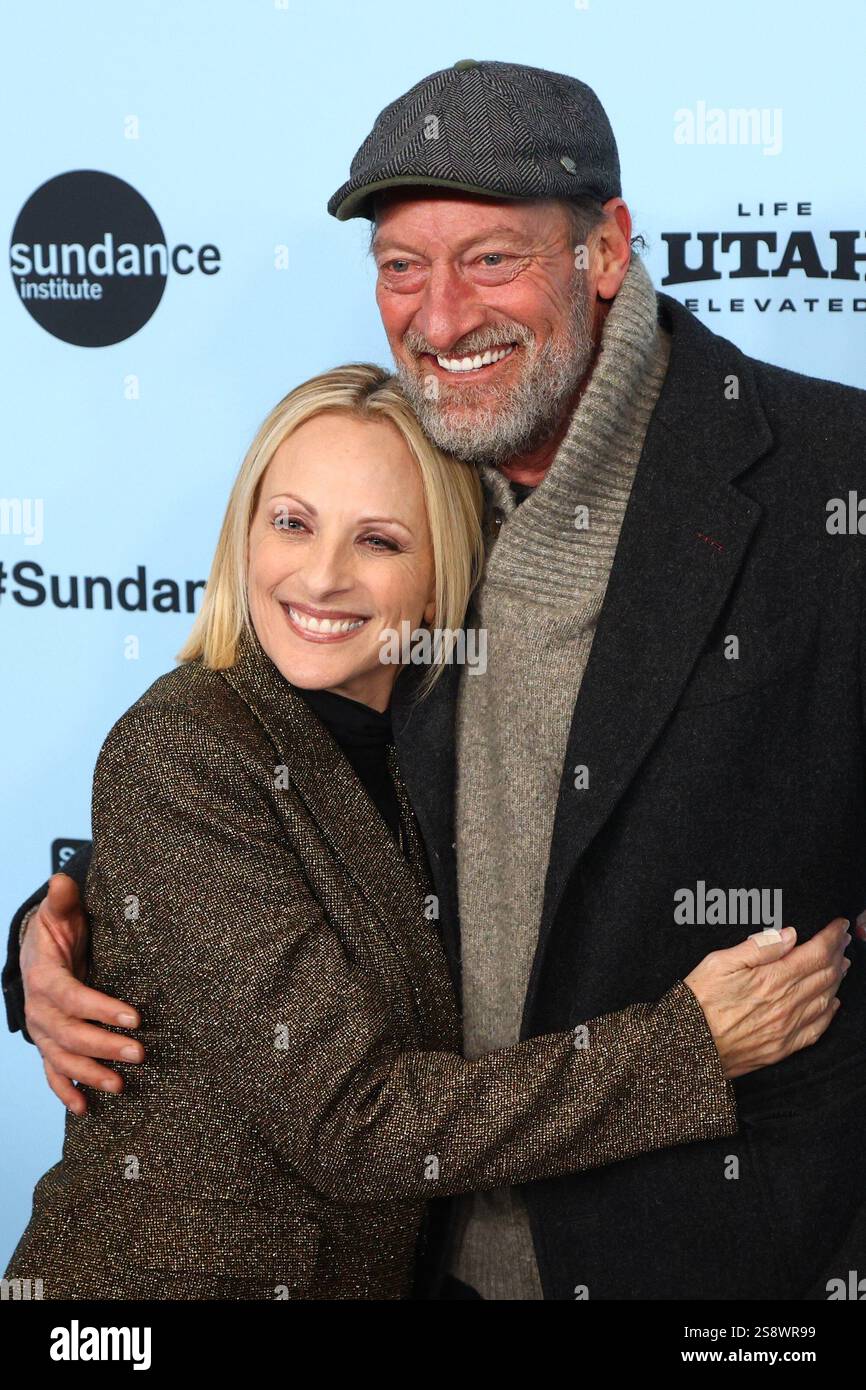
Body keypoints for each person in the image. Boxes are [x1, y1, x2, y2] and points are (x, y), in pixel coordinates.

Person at [5, 59, 865, 1300]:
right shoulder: (418, 482)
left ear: (605, 252)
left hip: (729, 1271)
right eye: (401, 266)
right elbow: (291, 818)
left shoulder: (826, 486)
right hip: (413, 1263)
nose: (441, 318)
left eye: (491, 259)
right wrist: (62, 937)